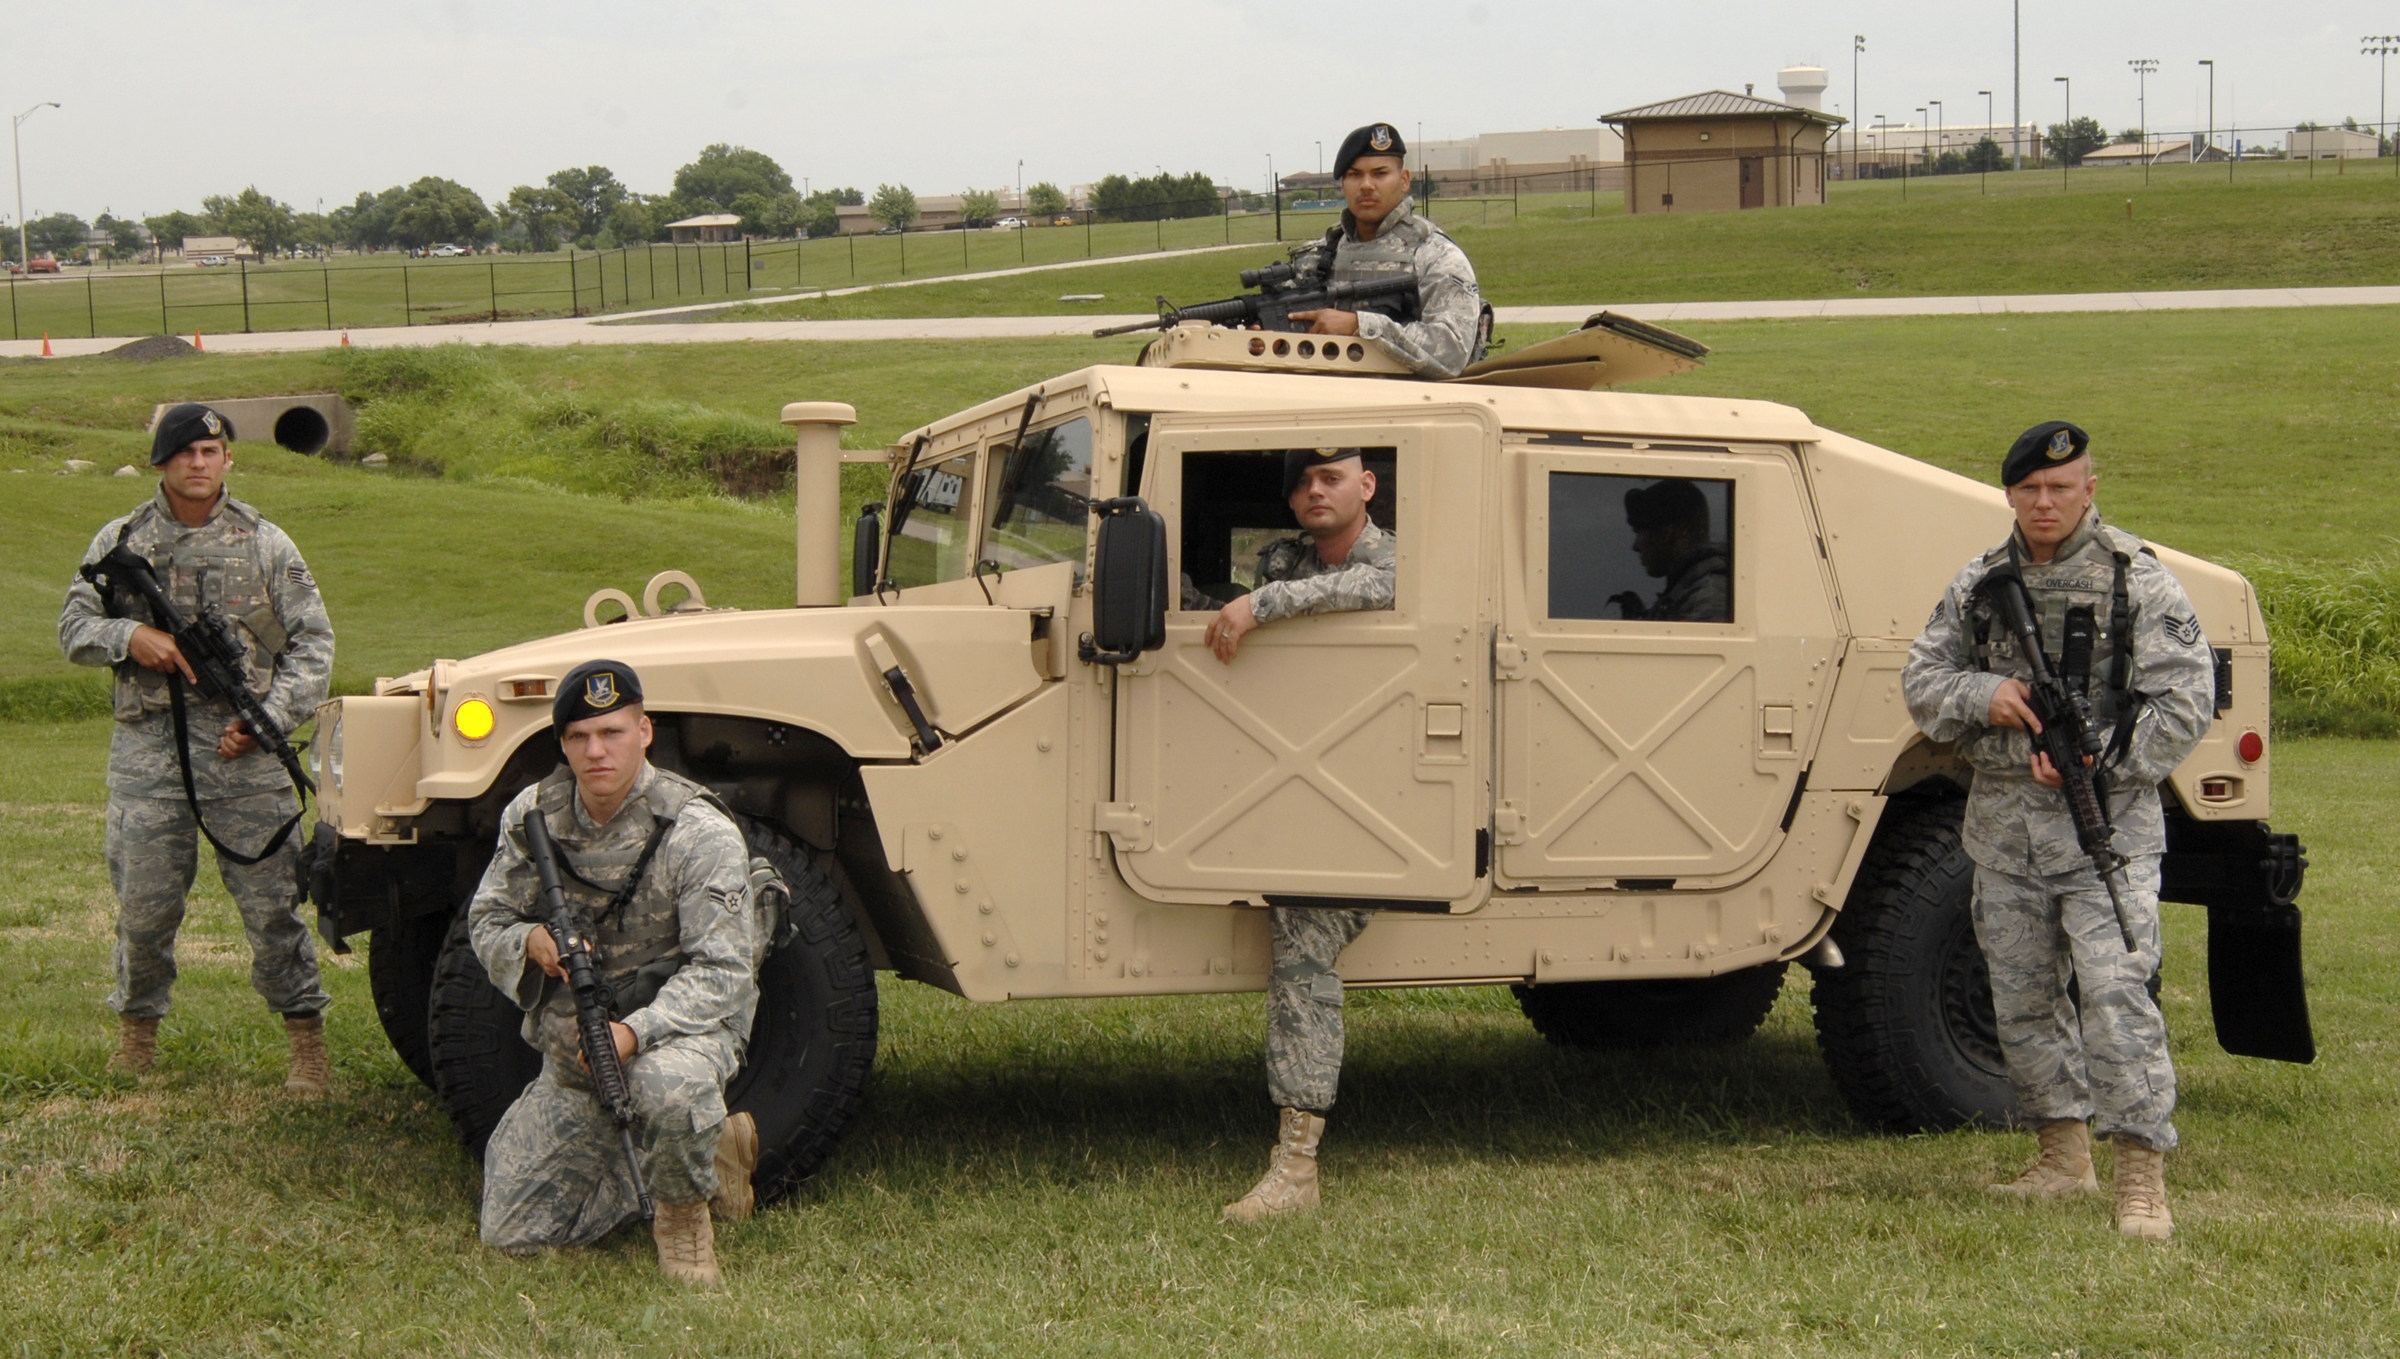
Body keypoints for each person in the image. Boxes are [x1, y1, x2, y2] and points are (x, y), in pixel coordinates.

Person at [1900, 421, 2214, 1243]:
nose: (2045, 501)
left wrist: (2102, 758)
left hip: (2104, 829)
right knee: (2023, 1000)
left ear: (2089, 488)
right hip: (2004, 833)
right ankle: (2061, 1157)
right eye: (2031, 489)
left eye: (2061, 487)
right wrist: (1990, 696)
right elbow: (1923, 679)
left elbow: (2186, 699)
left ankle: (2141, 1176)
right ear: (2010, 494)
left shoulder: (2135, 580)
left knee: (2117, 998)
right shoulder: (1979, 583)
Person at [58, 402, 336, 1094]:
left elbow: (314, 644)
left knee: (274, 906)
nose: (199, 462)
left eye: (211, 450)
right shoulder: (121, 539)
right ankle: (137, 1037)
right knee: (145, 909)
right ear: (161, 462)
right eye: (184, 452)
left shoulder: (266, 543)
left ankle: (307, 1046)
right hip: (149, 752)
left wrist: (268, 718)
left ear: (227, 460)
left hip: (245, 753)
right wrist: (132, 639)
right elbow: (73, 626)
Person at [467, 660, 767, 1287]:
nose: (595, 751)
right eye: (578, 737)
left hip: (683, 1034)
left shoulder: (697, 831)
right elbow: (487, 920)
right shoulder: (534, 816)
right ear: (562, 744)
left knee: (668, 1088)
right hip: (578, 1054)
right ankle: (708, 1153)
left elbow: (723, 971)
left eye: (612, 732)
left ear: (645, 731)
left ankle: (683, 1221)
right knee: (512, 1231)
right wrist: (532, 942)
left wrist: (638, 1032)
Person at [1194, 448, 1396, 1222]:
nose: (1315, 489)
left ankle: (1298, 1169)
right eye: (1304, 480)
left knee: (1305, 934)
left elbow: (1375, 591)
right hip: (1300, 777)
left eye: (1332, 476)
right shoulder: (1284, 558)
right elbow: (1250, 599)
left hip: (1379, 795)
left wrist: (1261, 606)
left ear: (1366, 486)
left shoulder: (1393, 556)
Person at [1284, 121, 1487, 379]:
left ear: (1404, 181)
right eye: (1355, 175)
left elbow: (1452, 352)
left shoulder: (1434, 255)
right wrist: (1272, 341)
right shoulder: (1322, 256)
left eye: (1379, 174)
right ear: (1343, 184)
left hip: (1406, 408)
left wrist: (1360, 325)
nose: (1366, 185)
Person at [1610, 478, 1731, 622]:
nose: (1635, 546)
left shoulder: (1708, 597)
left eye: (1639, 532)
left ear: (1668, 533)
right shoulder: (1686, 592)